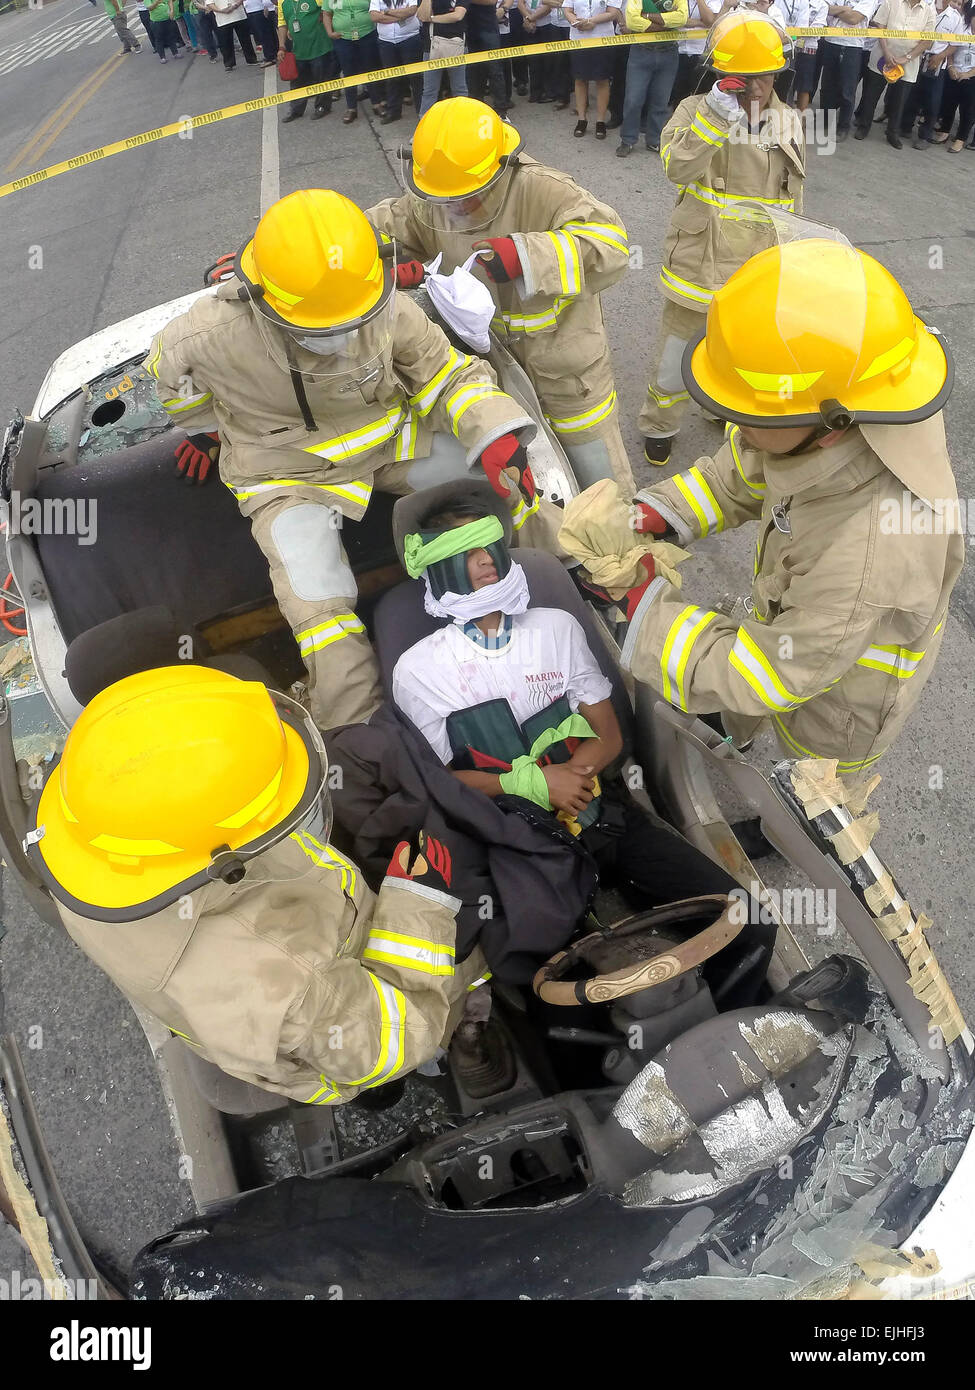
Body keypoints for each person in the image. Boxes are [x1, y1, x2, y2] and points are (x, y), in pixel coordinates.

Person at [145, 189, 562, 732]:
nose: (342, 337)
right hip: (285, 477)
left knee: (506, 491)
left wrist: (495, 431)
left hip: (392, 446)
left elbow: (447, 375)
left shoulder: (387, 306)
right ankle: (361, 744)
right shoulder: (201, 339)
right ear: (260, 300)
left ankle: (570, 578)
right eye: (321, 328)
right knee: (320, 610)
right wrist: (214, 435)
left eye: (352, 319)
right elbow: (181, 401)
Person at [569, 235, 963, 774]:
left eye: (753, 417)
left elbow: (764, 675)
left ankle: (777, 828)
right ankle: (741, 740)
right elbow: (747, 469)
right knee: (752, 708)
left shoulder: (865, 551)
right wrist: (662, 512)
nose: (739, 429)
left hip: (842, 709)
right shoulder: (862, 395)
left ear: (831, 427)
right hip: (807, 633)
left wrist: (645, 610)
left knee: (810, 791)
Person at [29, 666, 489, 1108]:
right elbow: (391, 1043)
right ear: (220, 858)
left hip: (270, 1005)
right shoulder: (285, 980)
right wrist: (420, 903)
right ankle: (467, 1032)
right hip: (345, 1031)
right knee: (473, 950)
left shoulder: (89, 849)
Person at [390, 483, 740, 912]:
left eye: (488, 545)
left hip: (601, 812)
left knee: (740, 917)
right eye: (466, 550)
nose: (485, 559)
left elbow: (608, 736)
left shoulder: (555, 628)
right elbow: (443, 783)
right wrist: (535, 784)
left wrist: (570, 785)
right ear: (436, 564)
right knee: (563, 969)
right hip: (516, 843)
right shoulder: (418, 671)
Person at [368, 96, 635, 492]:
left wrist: (526, 256)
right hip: (493, 366)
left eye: (466, 194)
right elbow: (376, 228)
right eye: (445, 198)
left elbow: (612, 247)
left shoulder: (542, 189)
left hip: (566, 371)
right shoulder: (435, 197)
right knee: (538, 481)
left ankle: (621, 544)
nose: (455, 206)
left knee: (600, 480)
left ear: (501, 166)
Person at [639, 12, 804, 468]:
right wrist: (713, 118)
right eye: (744, 78)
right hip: (700, 255)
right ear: (721, 74)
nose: (755, 89)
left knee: (740, 352)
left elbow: (794, 194)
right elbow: (677, 167)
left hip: (757, 263)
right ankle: (660, 425)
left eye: (764, 77)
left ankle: (722, 409)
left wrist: (791, 256)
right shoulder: (694, 111)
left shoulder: (789, 119)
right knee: (676, 355)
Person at [853, 0, 937, 147]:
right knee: (870, 96)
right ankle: (863, 126)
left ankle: (892, 133)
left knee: (899, 101)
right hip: (882, 56)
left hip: (908, 63)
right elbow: (880, 27)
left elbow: (927, 41)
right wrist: (886, 53)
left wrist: (906, 58)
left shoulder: (929, 11)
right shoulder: (890, 2)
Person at [617, 0, 690, 158]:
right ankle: (628, 139)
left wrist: (648, 16)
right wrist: (665, 25)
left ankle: (654, 139)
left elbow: (682, 18)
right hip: (641, 52)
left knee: (661, 101)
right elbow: (632, 21)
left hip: (668, 53)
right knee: (633, 100)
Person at [899, 0, 964, 147]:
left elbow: (955, 44)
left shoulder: (955, 17)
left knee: (932, 101)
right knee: (911, 94)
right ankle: (905, 127)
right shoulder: (926, 8)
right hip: (917, 57)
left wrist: (940, 56)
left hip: (937, 63)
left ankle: (924, 136)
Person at [819, 0, 878, 140]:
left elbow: (854, 19)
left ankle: (843, 126)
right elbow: (824, 8)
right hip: (831, 41)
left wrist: (836, 11)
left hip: (852, 46)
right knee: (827, 87)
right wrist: (846, 9)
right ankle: (825, 119)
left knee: (847, 90)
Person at [562, 0, 621, 137]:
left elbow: (613, 12)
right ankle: (582, 119)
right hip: (578, 38)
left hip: (602, 39)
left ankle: (600, 121)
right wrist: (575, 22)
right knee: (580, 79)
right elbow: (567, 9)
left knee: (602, 80)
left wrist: (591, 21)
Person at [323, 0, 385, 121]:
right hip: (343, 38)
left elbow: (377, 8)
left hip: (367, 35)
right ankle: (351, 108)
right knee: (349, 72)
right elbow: (326, 13)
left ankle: (376, 103)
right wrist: (330, 33)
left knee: (371, 69)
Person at [278, 0, 339, 120]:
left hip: (319, 46)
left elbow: (328, 9)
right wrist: (281, 46)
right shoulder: (282, 2)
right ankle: (296, 110)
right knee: (297, 81)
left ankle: (323, 106)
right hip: (299, 49)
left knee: (322, 78)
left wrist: (323, 18)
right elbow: (282, 24)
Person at [370, 0, 424, 122]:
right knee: (392, 79)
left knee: (416, 78)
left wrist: (387, 12)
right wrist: (399, 16)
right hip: (386, 42)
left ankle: (422, 112)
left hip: (409, 39)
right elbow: (374, 16)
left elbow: (411, 11)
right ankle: (394, 112)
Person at [932, 1, 975, 148]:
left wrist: (968, 73)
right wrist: (950, 66)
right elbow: (952, 47)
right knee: (949, 103)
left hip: (972, 75)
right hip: (954, 70)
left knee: (968, 108)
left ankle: (960, 139)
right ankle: (944, 132)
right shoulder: (962, 28)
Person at [416, 0, 469, 113]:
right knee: (429, 90)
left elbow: (458, 15)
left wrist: (432, 19)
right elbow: (421, 16)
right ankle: (425, 123)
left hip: (455, 44)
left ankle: (463, 120)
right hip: (430, 46)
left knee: (459, 89)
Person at [465, 0, 510, 114]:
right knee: (474, 71)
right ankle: (476, 106)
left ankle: (501, 109)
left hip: (488, 27)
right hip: (469, 28)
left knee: (494, 69)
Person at [794, 0, 827, 109]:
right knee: (786, 85)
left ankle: (800, 121)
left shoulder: (822, 5)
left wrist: (795, 34)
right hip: (788, 47)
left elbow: (816, 30)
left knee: (804, 88)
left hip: (808, 50)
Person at [209, 0, 260, 67]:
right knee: (226, 43)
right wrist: (222, 11)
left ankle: (251, 60)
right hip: (223, 19)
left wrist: (235, 6)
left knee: (245, 40)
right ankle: (229, 64)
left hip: (239, 15)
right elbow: (210, 4)